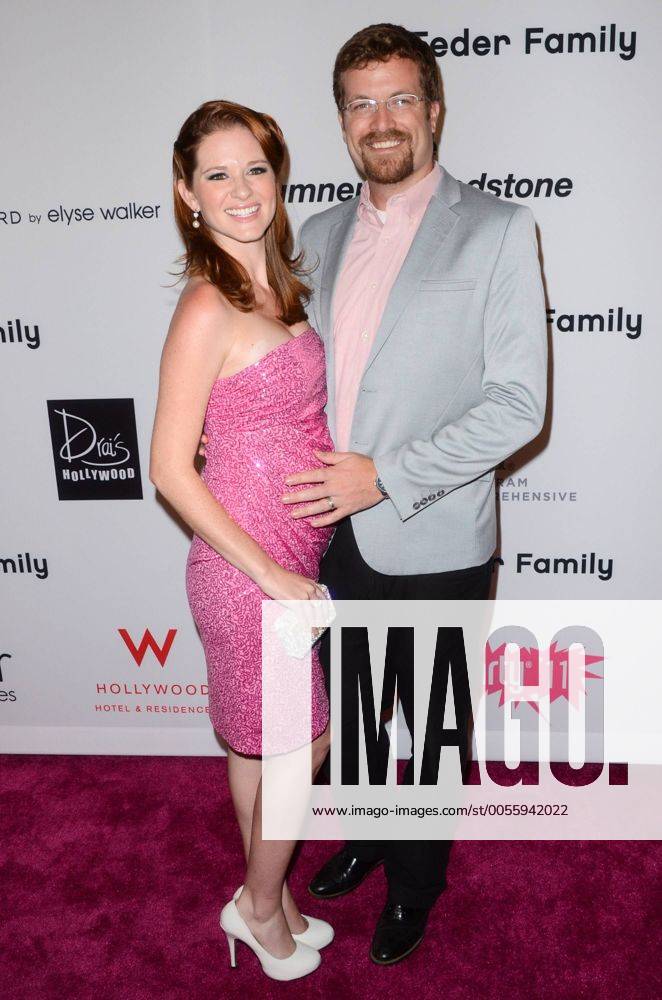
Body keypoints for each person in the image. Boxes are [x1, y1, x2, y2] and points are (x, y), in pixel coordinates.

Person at [277, 23, 548, 965]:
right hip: (327, 532)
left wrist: (386, 475)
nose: (381, 120)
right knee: (352, 709)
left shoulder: (499, 229)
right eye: (361, 103)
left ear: (434, 109)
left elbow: (518, 405)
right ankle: (367, 834)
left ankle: (416, 884)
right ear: (342, 121)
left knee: (429, 725)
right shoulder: (315, 236)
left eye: (399, 99)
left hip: (431, 531)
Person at [149, 99, 335, 982]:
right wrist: (269, 575)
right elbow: (169, 467)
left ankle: (277, 898)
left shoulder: (278, 289)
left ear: (278, 177)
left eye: (255, 168)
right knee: (304, 742)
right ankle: (256, 907)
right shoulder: (206, 305)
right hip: (246, 572)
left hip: (289, 559)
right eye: (216, 174)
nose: (240, 189)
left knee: (256, 745)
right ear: (188, 193)